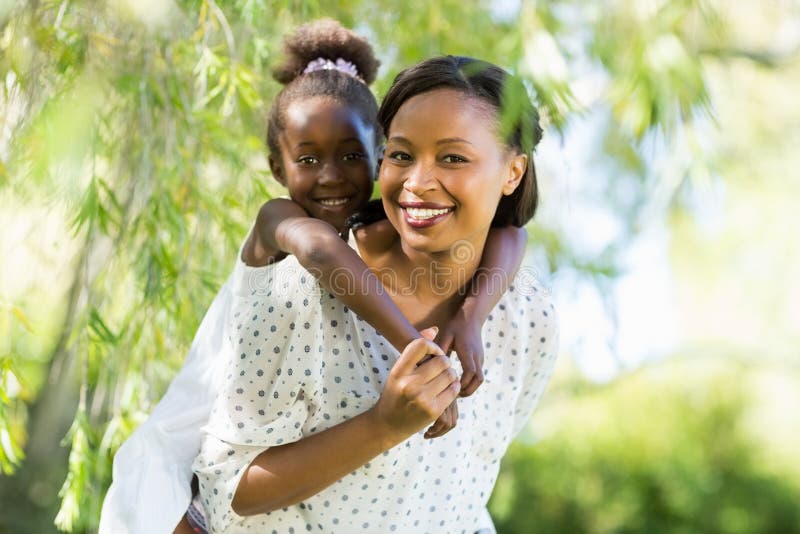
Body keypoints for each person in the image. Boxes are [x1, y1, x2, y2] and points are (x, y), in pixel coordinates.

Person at [99, 20, 526, 534]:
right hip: (190, 463)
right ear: (277, 168)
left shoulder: (389, 214)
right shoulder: (279, 221)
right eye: (308, 158)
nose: (331, 175)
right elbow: (324, 257)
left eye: (352, 155)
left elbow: (510, 233)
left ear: (380, 156)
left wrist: (472, 315)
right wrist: (419, 350)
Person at [192, 54, 558, 533]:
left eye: (452, 158)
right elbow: (227, 490)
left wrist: (470, 316)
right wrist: (382, 426)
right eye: (402, 155)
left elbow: (469, 477)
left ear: (512, 172)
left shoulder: (527, 313)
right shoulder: (299, 292)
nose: (418, 183)